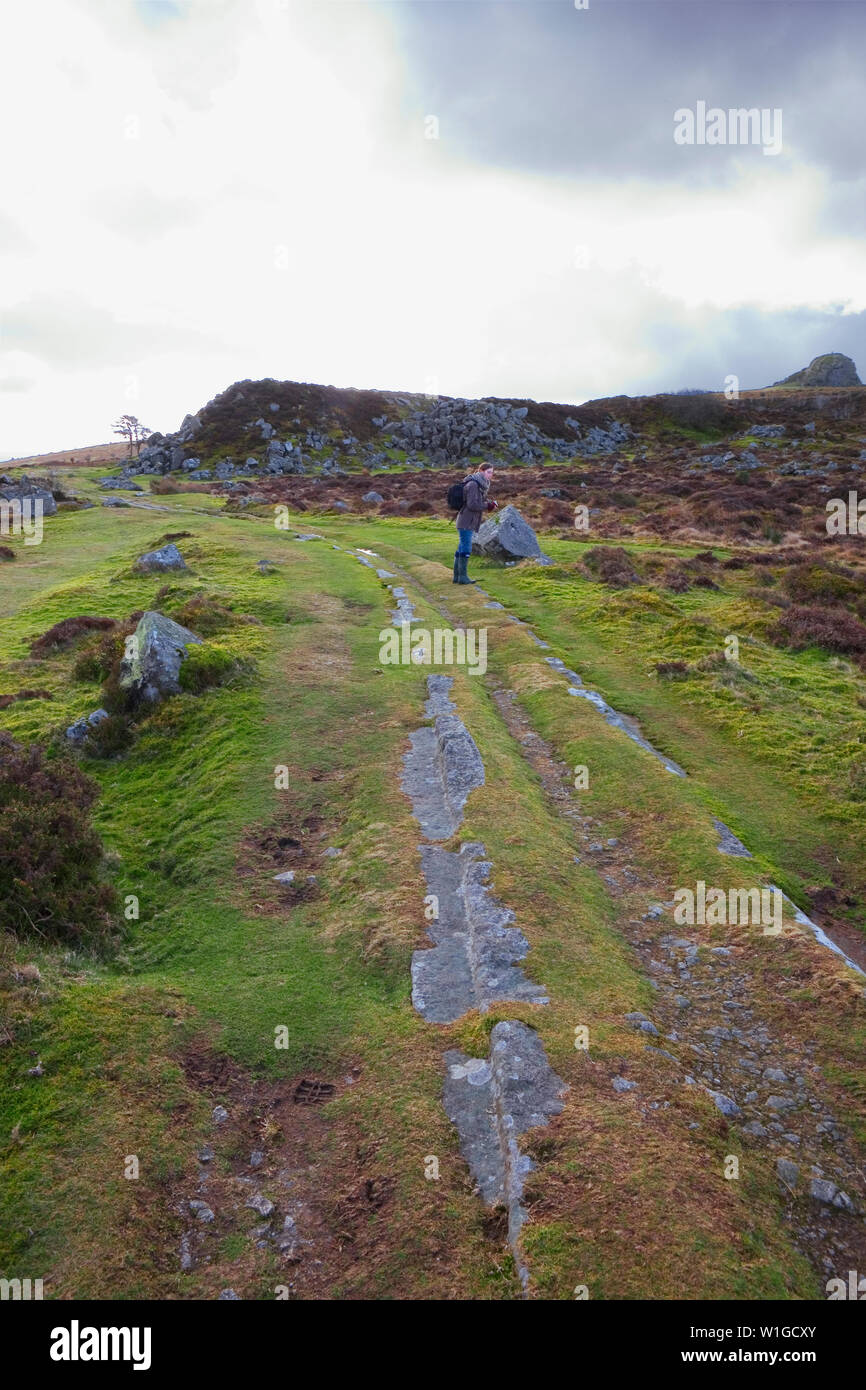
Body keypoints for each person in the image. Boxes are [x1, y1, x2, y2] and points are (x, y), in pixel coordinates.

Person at [454, 463, 498, 584]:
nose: (491, 475)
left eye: (492, 472)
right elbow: (472, 504)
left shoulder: (480, 485)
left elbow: (477, 501)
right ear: (481, 471)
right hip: (466, 521)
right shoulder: (473, 484)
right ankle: (462, 577)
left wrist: (489, 504)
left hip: (468, 520)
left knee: (462, 546)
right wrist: (487, 505)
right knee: (466, 547)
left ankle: (457, 577)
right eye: (489, 472)